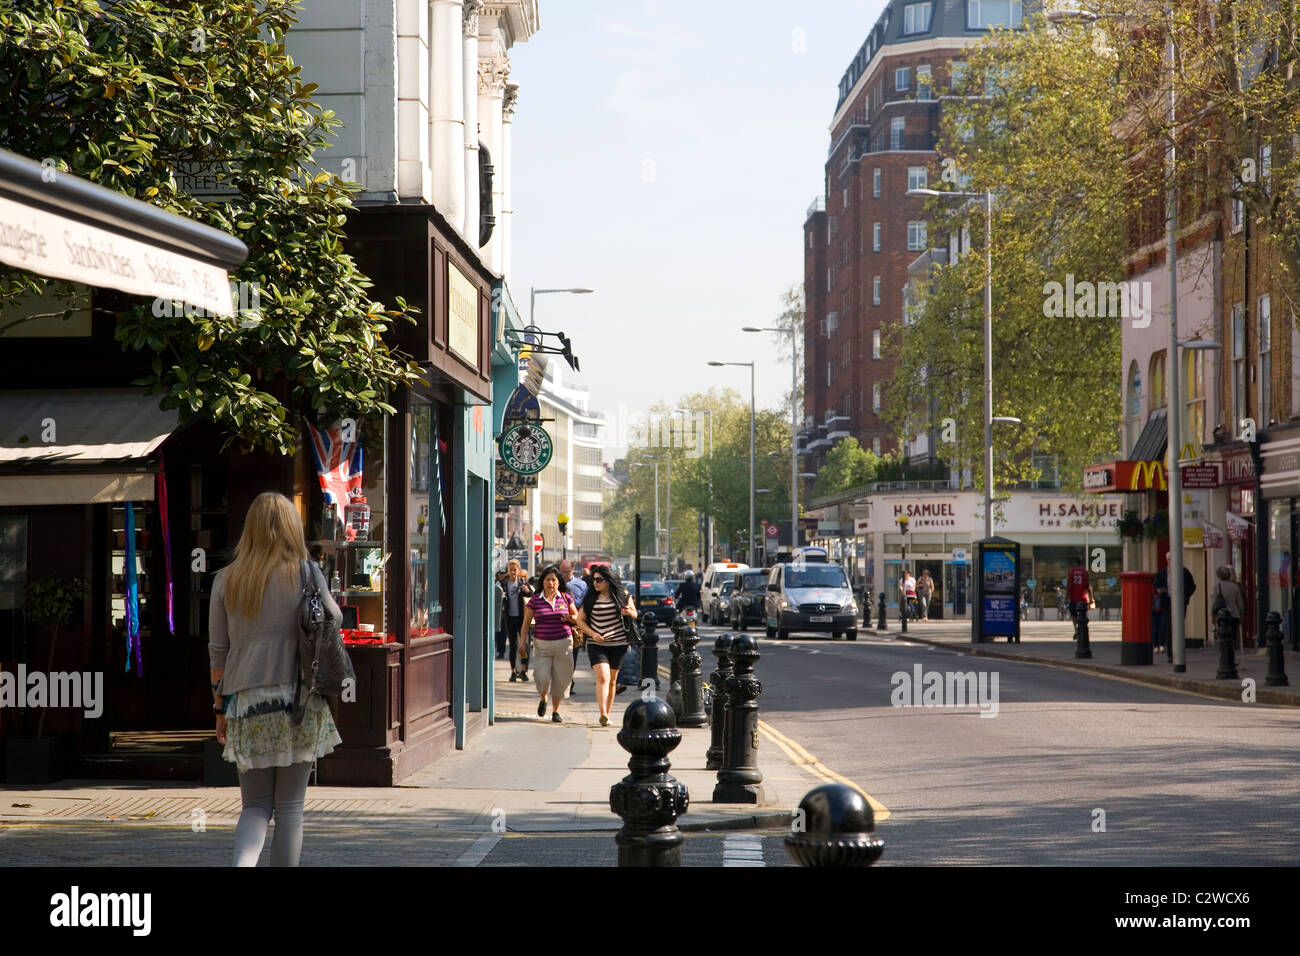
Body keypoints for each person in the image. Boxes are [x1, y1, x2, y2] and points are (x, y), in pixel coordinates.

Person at [208, 491, 343, 867]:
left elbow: (218, 654)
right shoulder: (306, 573)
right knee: (290, 807)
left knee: (254, 806)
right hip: (299, 700)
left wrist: (220, 708)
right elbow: (335, 620)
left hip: (246, 701)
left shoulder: (227, 580)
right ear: (290, 529)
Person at [573, 564, 638, 727]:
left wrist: (629, 612)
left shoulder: (623, 595)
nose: (595, 583)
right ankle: (602, 713)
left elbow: (635, 614)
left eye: (599, 580)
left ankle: (607, 714)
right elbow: (579, 620)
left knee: (612, 680)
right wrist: (593, 634)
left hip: (619, 643)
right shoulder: (590, 598)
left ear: (608, 581)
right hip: (597, 644)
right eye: (594, 580)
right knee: (603, 677)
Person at [519, 565, 579, 723]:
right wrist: (522, 643)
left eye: (554, 580)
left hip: (564, 644)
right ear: (542, 582)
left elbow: (577, 618)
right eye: (547, 579)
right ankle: (543, 696)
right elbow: (526, 623)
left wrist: (570, 618)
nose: (550, 583)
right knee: (542, 677)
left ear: (559, 582)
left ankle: (556, 711)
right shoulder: (535, 600)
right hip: (542, 645)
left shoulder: (566, 598)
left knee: (561, 679)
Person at [1152, 551, 1196, 661]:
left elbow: (1192, 586)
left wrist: (1185, 596)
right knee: (1170, 628)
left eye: (1173, 559)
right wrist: (1160, 590)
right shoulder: (1162, 573)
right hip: (1167, 603)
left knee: (1179, 627)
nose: (1171, 561)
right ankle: (1171, 654)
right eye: (1169, 559)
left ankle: (1180, 652)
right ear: (1167, 560)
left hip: (1181, 603)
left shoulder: (1184, 572)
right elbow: (1155, 585)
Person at [560, 560, 587, 697]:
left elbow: (585, 603)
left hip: (575, 624)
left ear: (572, 569)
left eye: (566, 571)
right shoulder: (555, 582)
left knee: (573, 655)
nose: (564, 574)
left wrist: (573, 601)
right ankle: (564, 682)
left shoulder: (581, 585)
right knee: (561, 656)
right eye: (562, 571)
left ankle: (569, 681)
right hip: (559, 624)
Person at [503, 560, 533, 682]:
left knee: (524, 645)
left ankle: (524, 670)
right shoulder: (504, 584)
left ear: (519, 570)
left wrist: (528, 591)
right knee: (513, 645)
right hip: (510, 618)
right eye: (511, 570)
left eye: (515, 570)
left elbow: (533, 596)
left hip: (523, 618)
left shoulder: (523, 583)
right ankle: (513, 671)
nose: (513, 572)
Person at [1066, 557, 1091, 622]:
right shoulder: (1085, 572)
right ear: (1081, 564)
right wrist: (1091, 598)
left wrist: (1067, 597)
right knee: (1083, 613)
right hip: (1083, 598)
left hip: (1073, 598)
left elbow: (1068, 586)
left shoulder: (1071, 572)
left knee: (1073, 614)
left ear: (1075, 563)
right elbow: (1088, 586)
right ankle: (1084, 626)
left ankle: (1076, 629)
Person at [493, 570, 508, 660]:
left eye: (504, 574)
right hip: (496, 611)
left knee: (502, 633)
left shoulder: (506, 583)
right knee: (498, 633)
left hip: (503, 613)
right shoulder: (494, 583)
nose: (503, 575)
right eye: (501, 574)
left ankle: (501, 651)